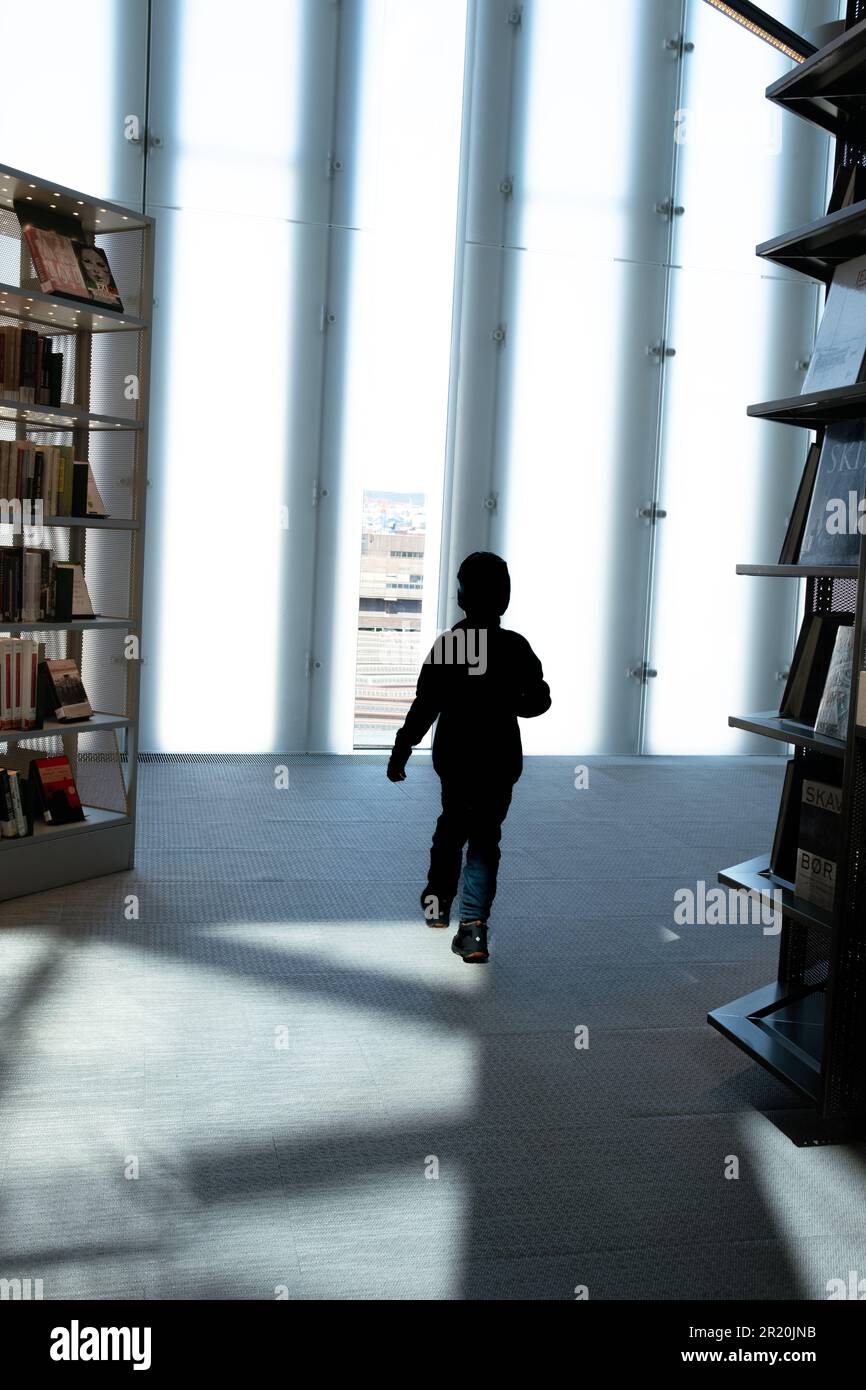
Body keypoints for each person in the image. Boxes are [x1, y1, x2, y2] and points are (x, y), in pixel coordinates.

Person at [386, 551, 551, 963]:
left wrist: (403, 747)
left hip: (456, 759)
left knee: (450, 827)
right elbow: (538, 701)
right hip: (500, 760)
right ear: (505, 598)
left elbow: (425, 705)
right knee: (485, 839)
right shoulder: (516, 647)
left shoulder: (450, 644)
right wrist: (511, 699)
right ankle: (474, 929)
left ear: (462, 595)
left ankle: (438, 902)